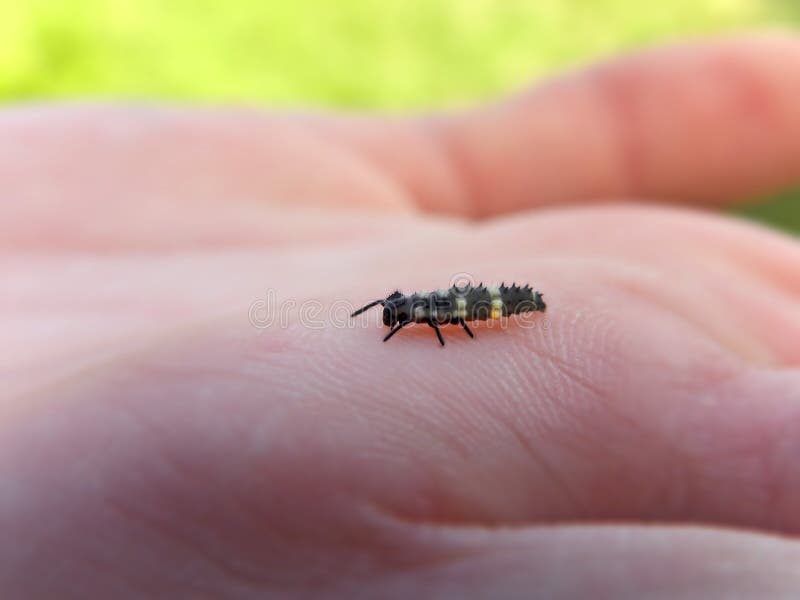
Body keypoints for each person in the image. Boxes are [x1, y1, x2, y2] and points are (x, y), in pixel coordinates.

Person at [2, 33, 799, 599]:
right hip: (496, 302)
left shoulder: (430, 316)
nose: (392, 319)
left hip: (503, 304)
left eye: (392, 316)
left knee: (485, 309)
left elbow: (444, 321)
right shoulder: (418, 316)